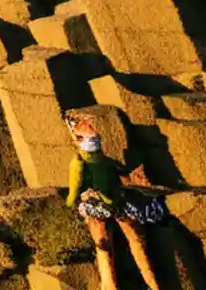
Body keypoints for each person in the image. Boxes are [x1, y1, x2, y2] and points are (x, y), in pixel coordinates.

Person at [65, 113, 161, 290]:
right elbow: (80, 184)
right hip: (108, 203)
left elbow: (78, 185)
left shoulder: (87, 160)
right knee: (124, 242)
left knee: (112, 245)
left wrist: (71, 203)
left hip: (106, 203)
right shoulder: (90, 161)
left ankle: (123, 285)